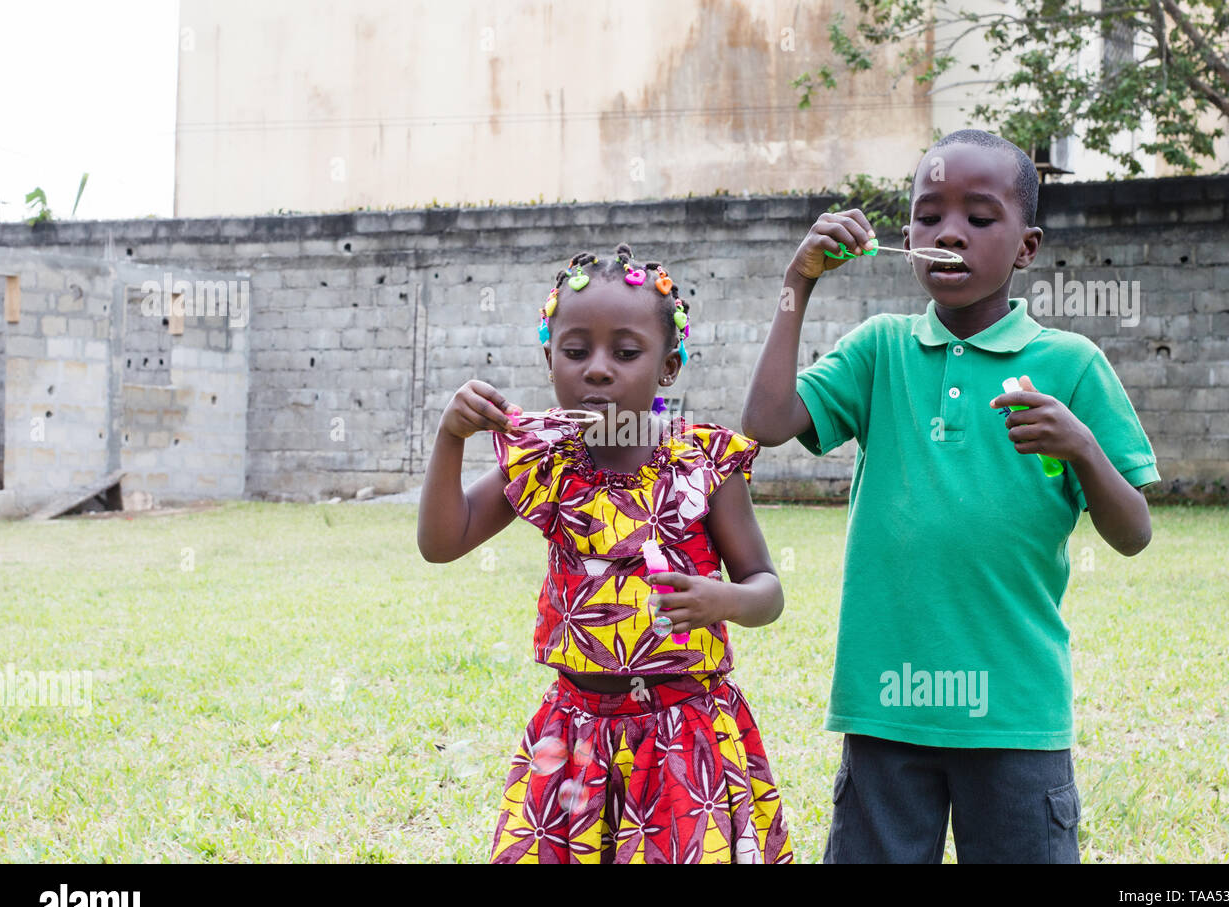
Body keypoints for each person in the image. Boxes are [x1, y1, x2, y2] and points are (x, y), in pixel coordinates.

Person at [741, 129, 1159, 863]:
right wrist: (798, 280)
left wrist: (1084, 450)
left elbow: (1133, 533)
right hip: (887, 707)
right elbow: (765, 423)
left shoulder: (1072, 365)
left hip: (1015, 716)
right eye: (928, 215)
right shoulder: (880, 349)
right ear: (904, 236)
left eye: (979, 216)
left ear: (1026, 247)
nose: (949, 233)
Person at [418, 244, 793, 864]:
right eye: (575, 351)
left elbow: (766, 589)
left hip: (683, 732)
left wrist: (721, 598)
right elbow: (442, 541)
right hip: (575, 734)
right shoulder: (548, 463)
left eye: (625, 352)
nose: (597, 369)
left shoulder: (703, 463)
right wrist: (450, 437)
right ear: (549, 359)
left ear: (668, 366)